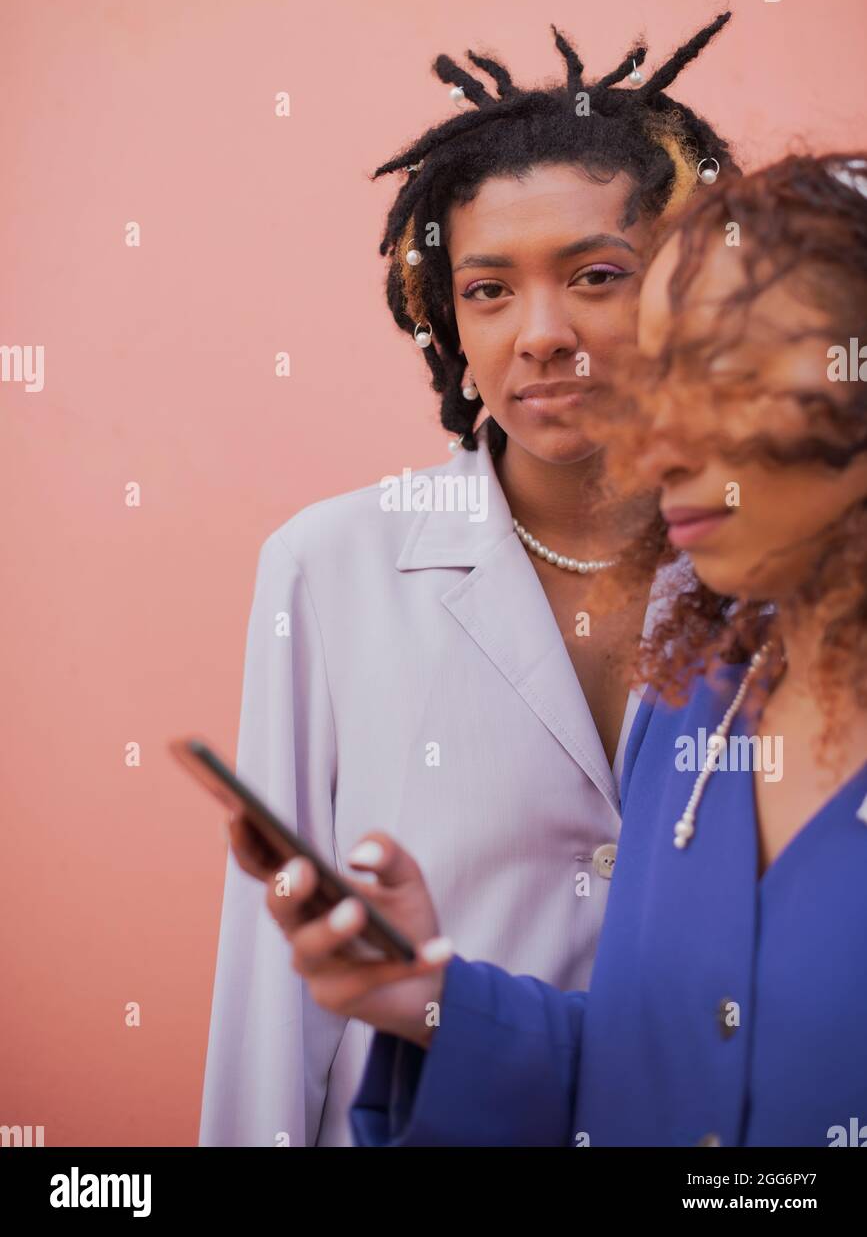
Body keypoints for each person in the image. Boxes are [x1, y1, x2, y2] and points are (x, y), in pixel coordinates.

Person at [239, 151, 867, 1147]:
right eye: (486, 288)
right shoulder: (701, 696)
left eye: (726, 375)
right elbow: (659, 1074)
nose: (657, 444)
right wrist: (433, 1001)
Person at [199, 15, 737, 1146]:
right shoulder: (329, 566)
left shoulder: (778, 566)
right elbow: (272, 984)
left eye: (597, 275)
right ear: (444, 312)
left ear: (691, 287)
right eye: (488, 289)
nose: (539, 334)